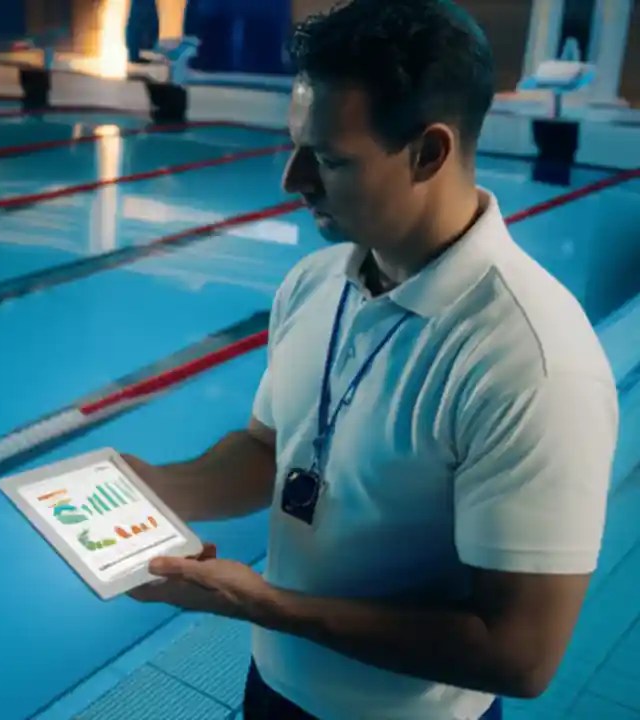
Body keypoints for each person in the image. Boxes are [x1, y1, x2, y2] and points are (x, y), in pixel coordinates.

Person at [123, 1, 620, 719]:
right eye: (297, 146)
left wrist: (266, 604)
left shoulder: (531, 359)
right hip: (273, 690)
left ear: (429, 153)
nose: (293, 179)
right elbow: (271, 451)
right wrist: (153, 488)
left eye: (327, 158)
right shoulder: (314, 283)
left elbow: (520, 653)